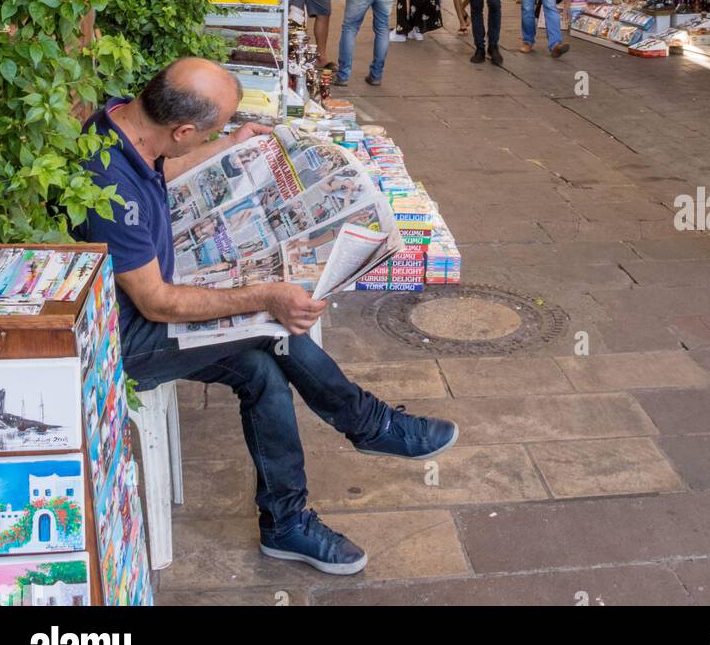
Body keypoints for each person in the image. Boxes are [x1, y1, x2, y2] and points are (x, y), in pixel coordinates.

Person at [78, 59, 458, 574]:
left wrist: (228, 148)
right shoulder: (111, 189)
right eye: (212, 131)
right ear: (182, 128)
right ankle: (367, 425)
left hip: (148, 307)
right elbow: (156, 303)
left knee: (263, 372)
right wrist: (263, 297)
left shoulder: (123, 123)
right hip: (128, 338)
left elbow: (161, 163)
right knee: (271, 330)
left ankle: (286, 522)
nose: (219, 135)